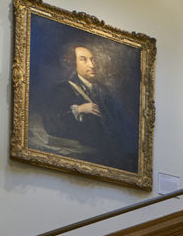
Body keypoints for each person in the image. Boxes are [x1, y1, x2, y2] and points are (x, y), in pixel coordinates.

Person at [38, 41, 134, 170]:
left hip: (111, 157)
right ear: (73, 63)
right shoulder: (62, 90)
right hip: (81, 158)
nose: (92, 65)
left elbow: (119, 122)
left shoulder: (105, 91)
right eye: (84, 60)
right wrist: (78, 110)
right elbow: (52, 125)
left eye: (92, 60)